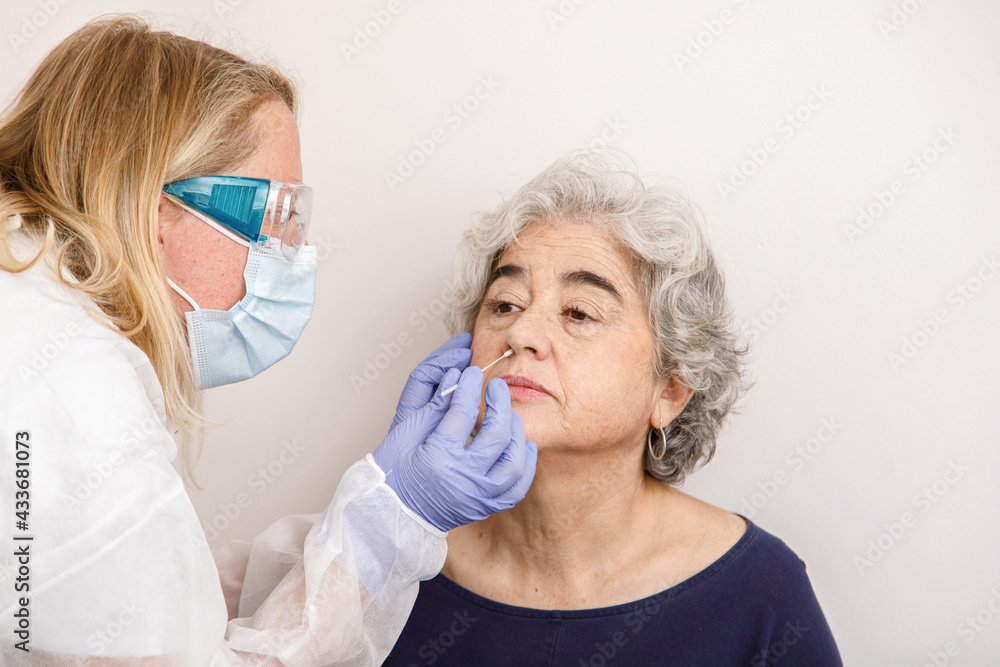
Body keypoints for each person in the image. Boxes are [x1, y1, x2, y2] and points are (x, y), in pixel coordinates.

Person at [0, 16, 535, 665]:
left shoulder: (35, 329)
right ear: (155, 209)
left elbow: (121, 595)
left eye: (582, 312)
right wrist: (393, 519)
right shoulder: (72, 393)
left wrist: (372, 510)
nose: (293, 251)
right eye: (278, 212)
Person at [384, 152, 842, 665]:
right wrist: (385, 523)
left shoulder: (761, 591)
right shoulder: (394, 555)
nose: (520, 333)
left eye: (579, 312)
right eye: (505, 303)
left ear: (670, 390)